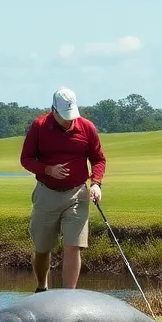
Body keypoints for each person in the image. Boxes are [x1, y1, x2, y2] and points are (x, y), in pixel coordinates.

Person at [19, 87, 106, 293]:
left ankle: (68, 296)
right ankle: (42, 288)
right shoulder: (39, 126)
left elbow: (98, 159)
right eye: (64, 117)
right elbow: (26, 159)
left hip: (77, 194)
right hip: (46, 192)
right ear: (53, 110)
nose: (69, 121)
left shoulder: (86, 127)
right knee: (42, 248)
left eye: (71, 116)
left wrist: (96, 183)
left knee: (73, 245)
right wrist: (48, 169)